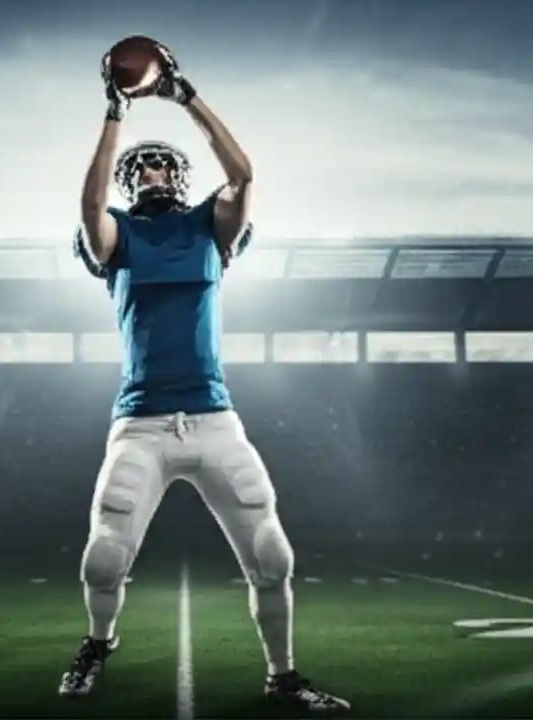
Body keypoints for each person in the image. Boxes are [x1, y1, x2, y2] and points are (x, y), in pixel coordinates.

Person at [57, 42, 350, 714]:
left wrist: (183, 96)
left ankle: (283, 675)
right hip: (142, 421)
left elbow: (243, 175)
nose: (157, 172)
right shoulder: (118, 234)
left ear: (179, 176)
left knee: (273, 555)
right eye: (146, 166)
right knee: (103, 558)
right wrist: (113, 115)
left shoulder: (208, 230)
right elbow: (89, 204)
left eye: (166, 164)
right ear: (133, 180)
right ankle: (98, 644)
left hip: (214, 418)